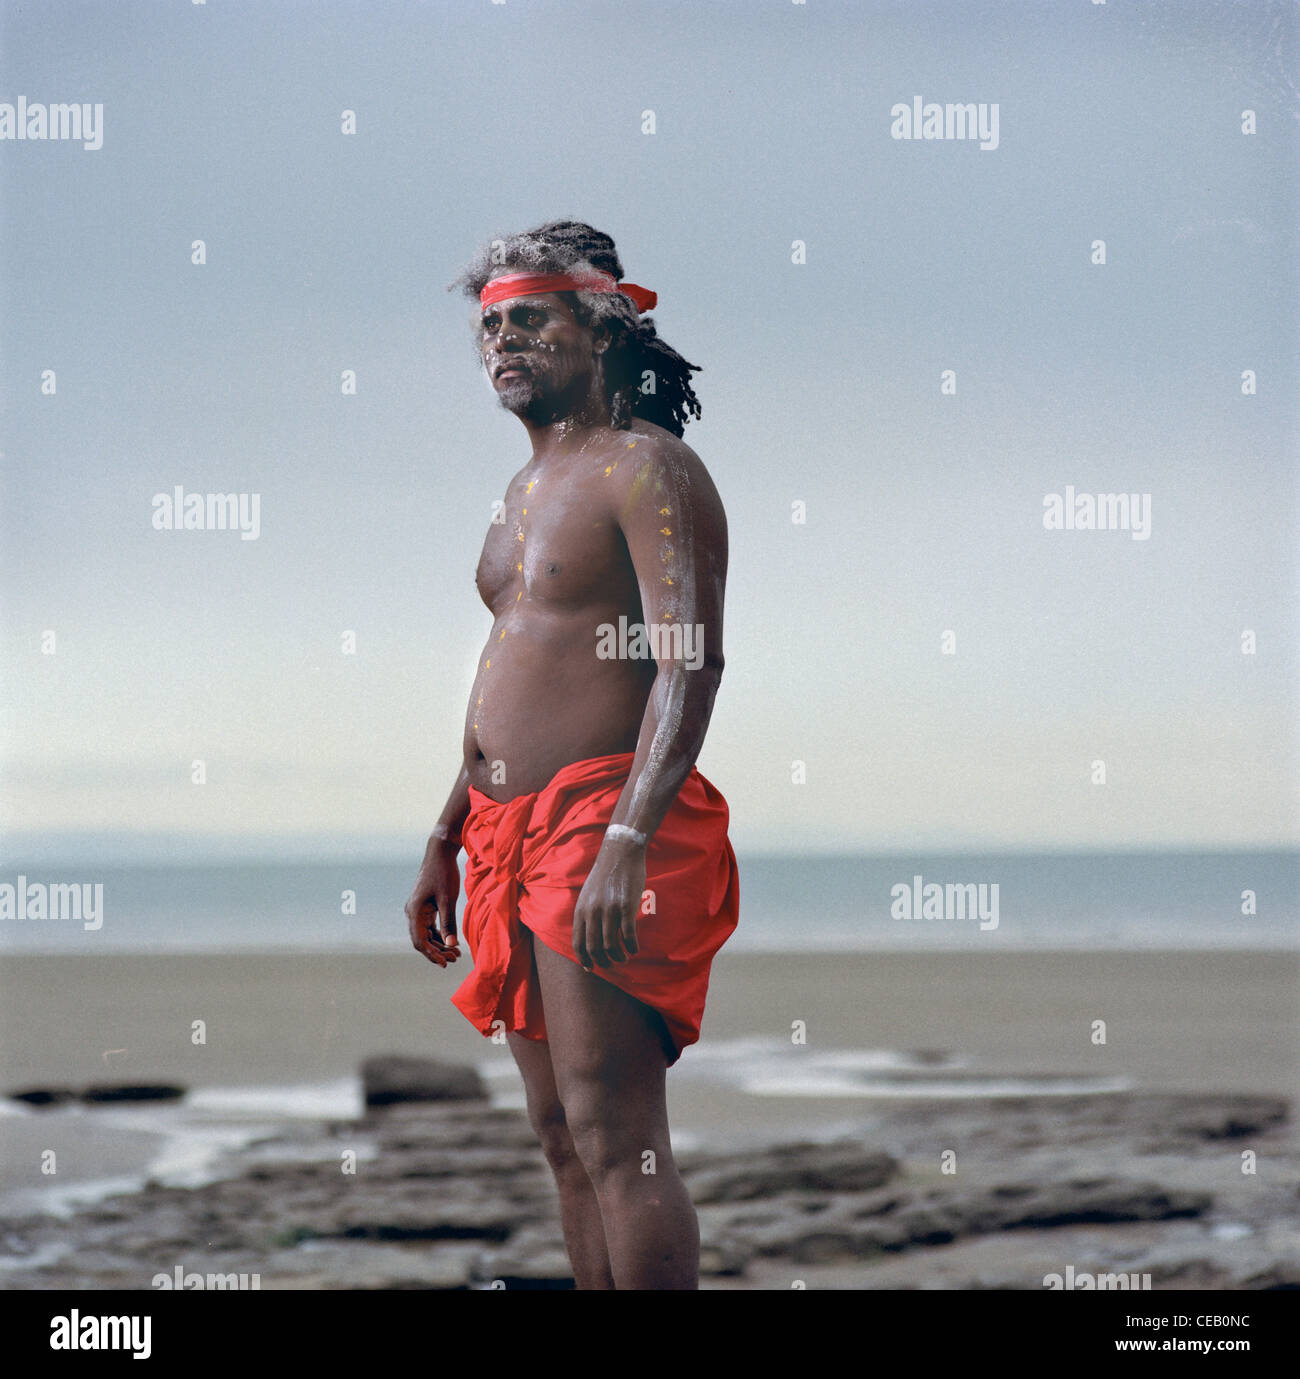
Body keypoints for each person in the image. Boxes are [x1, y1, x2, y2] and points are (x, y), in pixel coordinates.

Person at [405, 220, 739, 1290]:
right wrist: (446, 831)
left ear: (601, 327)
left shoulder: (646, 468)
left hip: (600, 815)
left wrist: (629, 835)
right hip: (501, 833)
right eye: (490, 325)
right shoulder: (519, 494)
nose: (502, 341)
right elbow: (521, 664)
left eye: (529, 319)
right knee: (557, 1132)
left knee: (617, 1133)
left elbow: (688, 666)